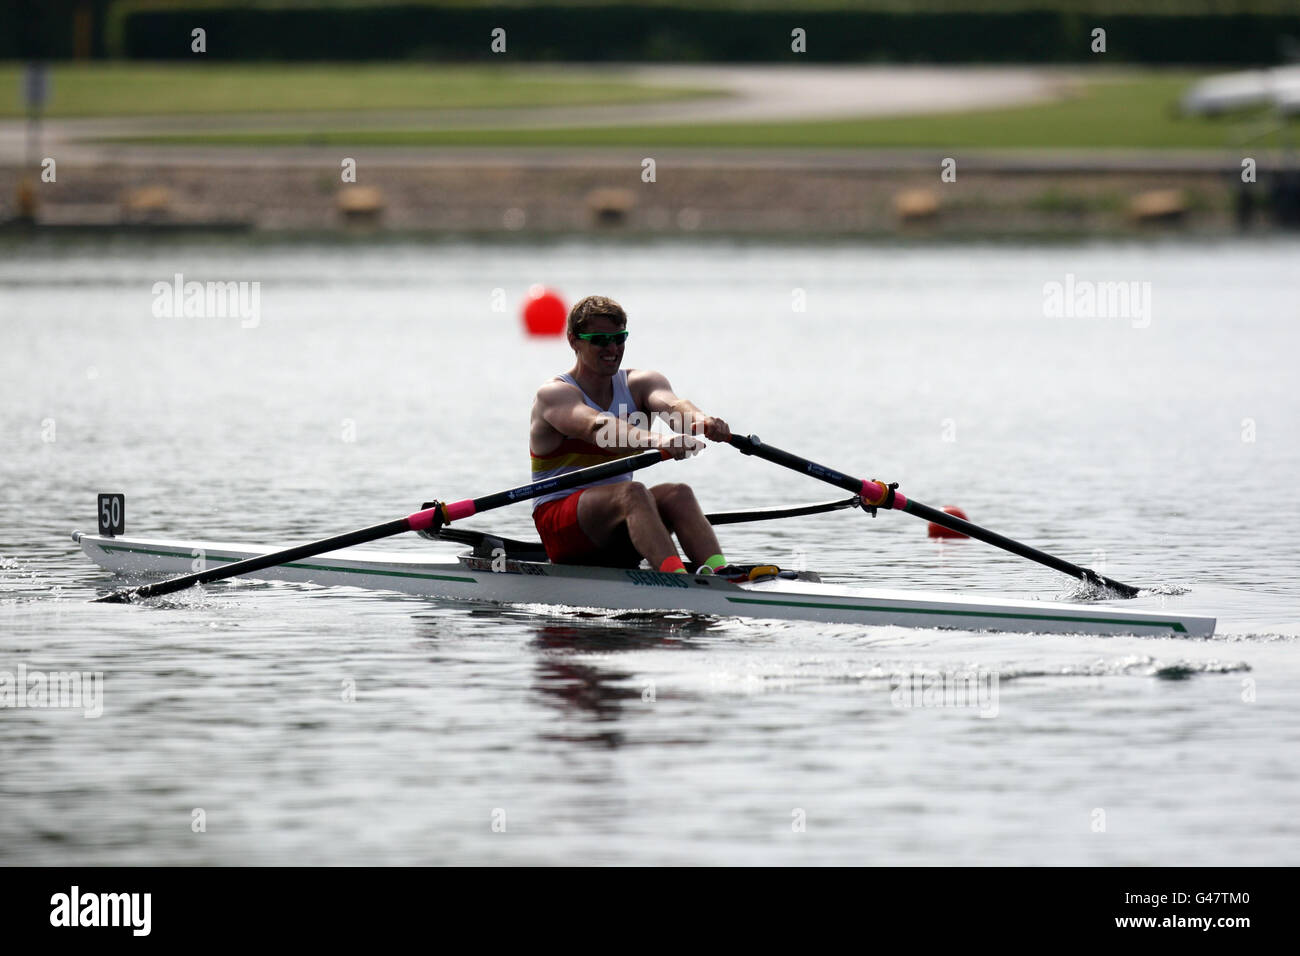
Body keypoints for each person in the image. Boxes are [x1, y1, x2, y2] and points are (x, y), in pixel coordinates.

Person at [529, 295, 732, 574]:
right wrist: (659, 441)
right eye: (599, 340)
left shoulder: (641, 383)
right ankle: (675, 578)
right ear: (573, 340)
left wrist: (702, 422)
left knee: (679, 494)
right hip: (561, 526)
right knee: (633, 493)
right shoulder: (555, 394)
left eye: (619, 338)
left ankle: (720, 572)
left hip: (614, 524)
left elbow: (673, 406)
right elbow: (599, 428)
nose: (612, 348)